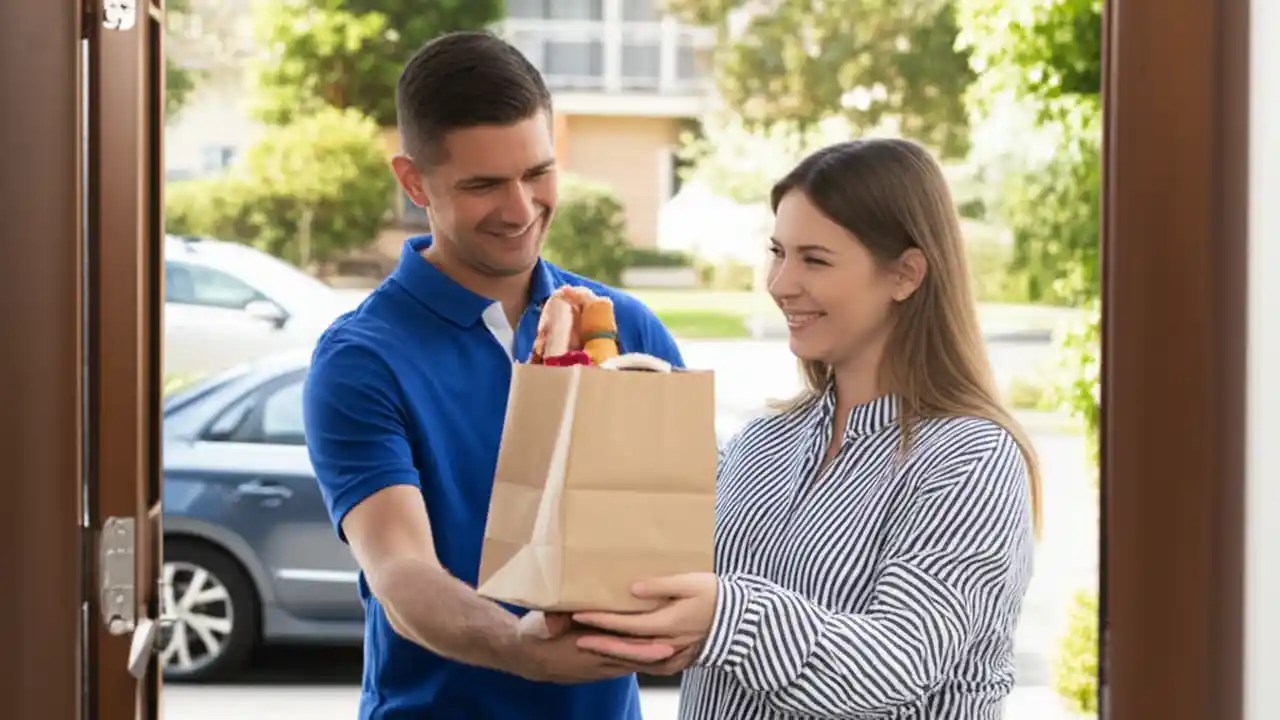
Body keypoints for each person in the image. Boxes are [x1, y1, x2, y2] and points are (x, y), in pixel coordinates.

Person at [570, 138, 1044, 719]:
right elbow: (658, 577)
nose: (780, 283)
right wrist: (582, 384)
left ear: (905, 274)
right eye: (779, 252)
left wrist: (727, 618)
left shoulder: (970, 459)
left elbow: (896, 665)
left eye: (814, 260)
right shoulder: (762, 441)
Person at [301, 31, 684, 719]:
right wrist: (524, 650)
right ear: (414, 181)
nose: (520, 208)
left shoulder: (627, 329)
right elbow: (400, 571)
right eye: (483, 185)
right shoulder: (361, 360)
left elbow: (678, 529)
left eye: (538, 173)